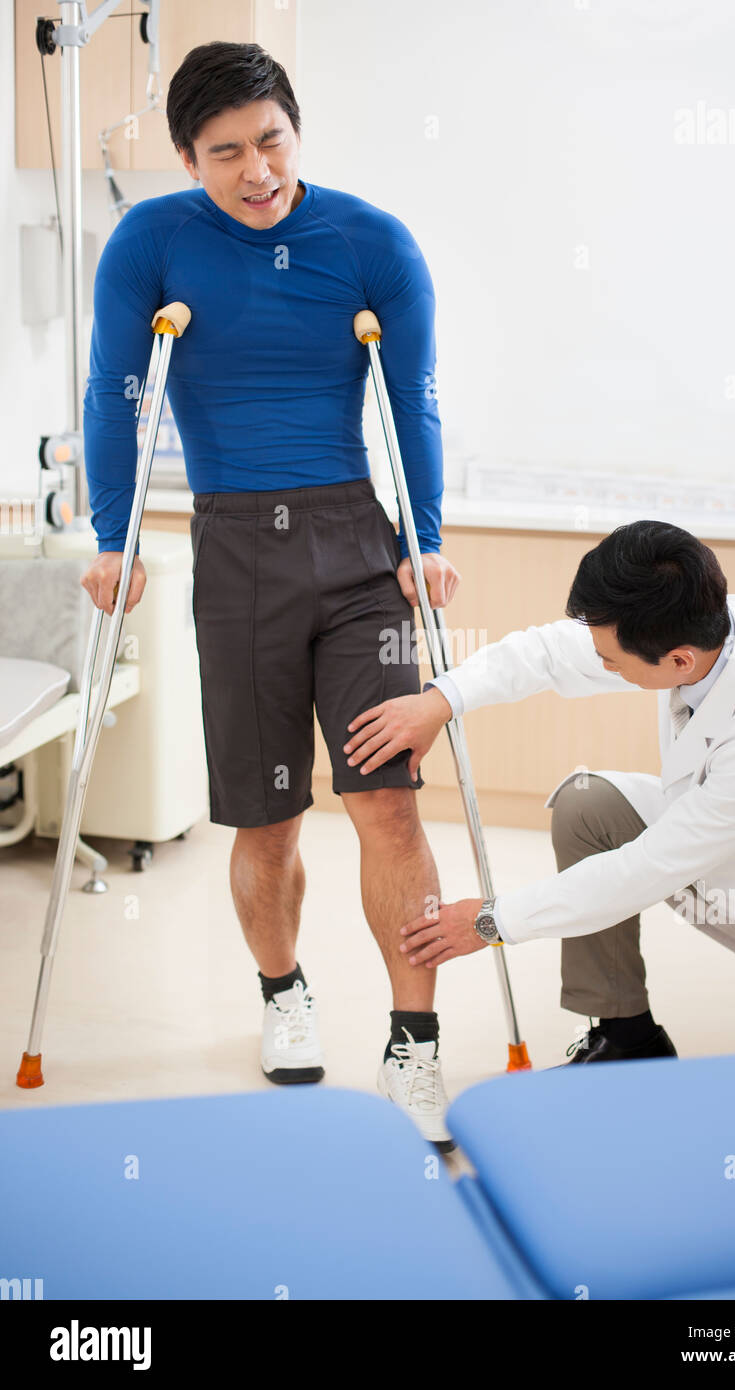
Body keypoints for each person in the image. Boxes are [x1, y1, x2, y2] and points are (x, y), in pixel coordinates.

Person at [80, 41, 460, 1148]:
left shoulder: (370, 242)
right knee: (269, 811)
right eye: (225, 152)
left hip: (355, 545)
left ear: (298, 128)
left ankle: (413, 1041)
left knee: (385, 796)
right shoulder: (151, 242)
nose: (257, 171)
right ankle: (283, 993)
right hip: (235, 550)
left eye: (272, 141)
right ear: (187, 157)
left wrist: (423, 539)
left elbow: (416, 400)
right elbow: (114, 393)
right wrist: (113, 535)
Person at [345, 520, 735, 1056]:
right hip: (721, 851)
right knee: (589, 803)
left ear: (679, 660)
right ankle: (627, 1034)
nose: (599, 665)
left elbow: (645, 868)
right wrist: (442, 700)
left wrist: (491, 921)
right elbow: (551, 652)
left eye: (610, 661)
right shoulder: (700, 625)